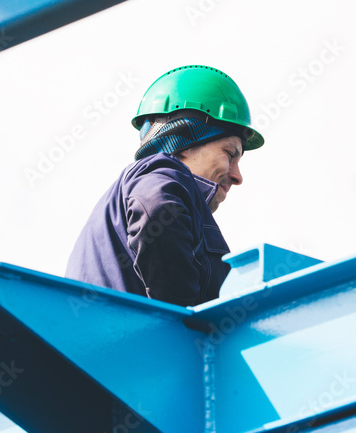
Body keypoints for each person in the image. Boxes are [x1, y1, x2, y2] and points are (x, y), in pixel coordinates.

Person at [64, 65, 264, 306]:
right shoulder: (161, 177)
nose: (237, 176)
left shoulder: (144, 195)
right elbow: (155, 206)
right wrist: (183, 317)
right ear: (186, 140)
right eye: (230, 154)